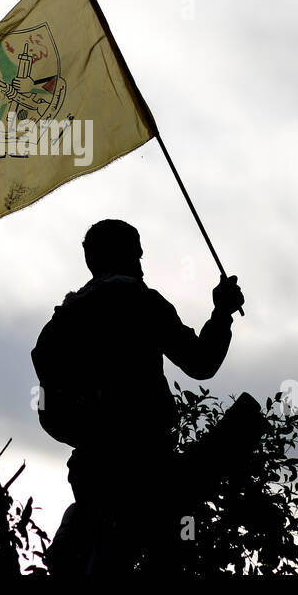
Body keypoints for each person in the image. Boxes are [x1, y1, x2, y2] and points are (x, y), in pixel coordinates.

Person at [32, 219, 244, 574]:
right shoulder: (144, 305)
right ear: (128, 257)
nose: (142, 263)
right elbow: (201, 362)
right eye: (137, 254)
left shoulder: (65, 320)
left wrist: (87, 433)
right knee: (167, 556)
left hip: (93, 467)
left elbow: (48, 409)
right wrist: (221, 313)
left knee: (98, 548)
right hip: (148, 468)